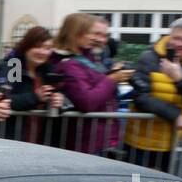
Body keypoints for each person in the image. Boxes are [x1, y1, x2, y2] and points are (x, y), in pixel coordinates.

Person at [124, 17, 182, 172]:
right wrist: (174, 114)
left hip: (174, 142)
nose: (178, 43)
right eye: (175, 38)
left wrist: (180, 79)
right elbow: (140, 97)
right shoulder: (149, 58)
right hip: (141, 141)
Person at [51, 12, 131, 155]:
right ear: (75, 34)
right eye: (91, 33)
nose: (95, 38)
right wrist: (112, 79)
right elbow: (87, 101)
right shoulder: (69, 64)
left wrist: (111, 75)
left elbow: (95, 84)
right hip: (85, 142)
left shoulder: (90, 56)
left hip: (100, 137)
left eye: (103, 35)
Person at [0, 25, 64, 144]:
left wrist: (60, 99)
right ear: (26, 46)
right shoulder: (14, 66)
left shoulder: (48, 70)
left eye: (47, 48)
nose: (42, 52)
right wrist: (35, 97)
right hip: (12, 139)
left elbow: (62, 93)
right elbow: (5, 99)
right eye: (37, 47)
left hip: (42, 139)